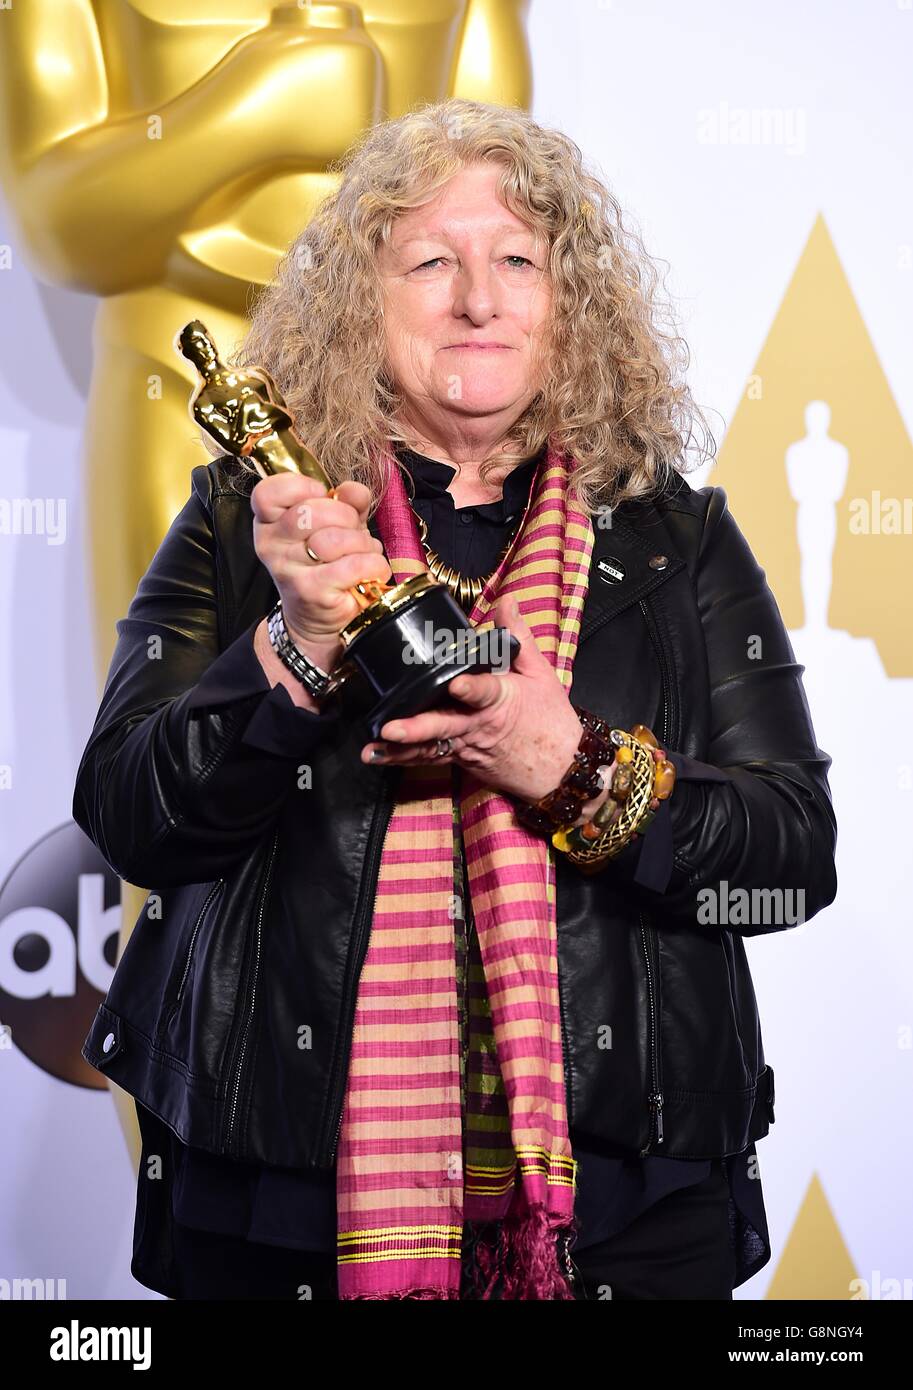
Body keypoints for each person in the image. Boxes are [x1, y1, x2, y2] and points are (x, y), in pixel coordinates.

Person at [74, 98, 837, 1301]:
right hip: (282, 1213)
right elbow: (132, 813)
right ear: (356, 304)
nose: (479, 299)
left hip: (623, 1216)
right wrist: (296, 644)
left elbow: (790, 853)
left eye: (517, 261)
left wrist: (570, 763)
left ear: (567, 304)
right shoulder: (245, 517)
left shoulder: (675, 539)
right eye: (431, 260)